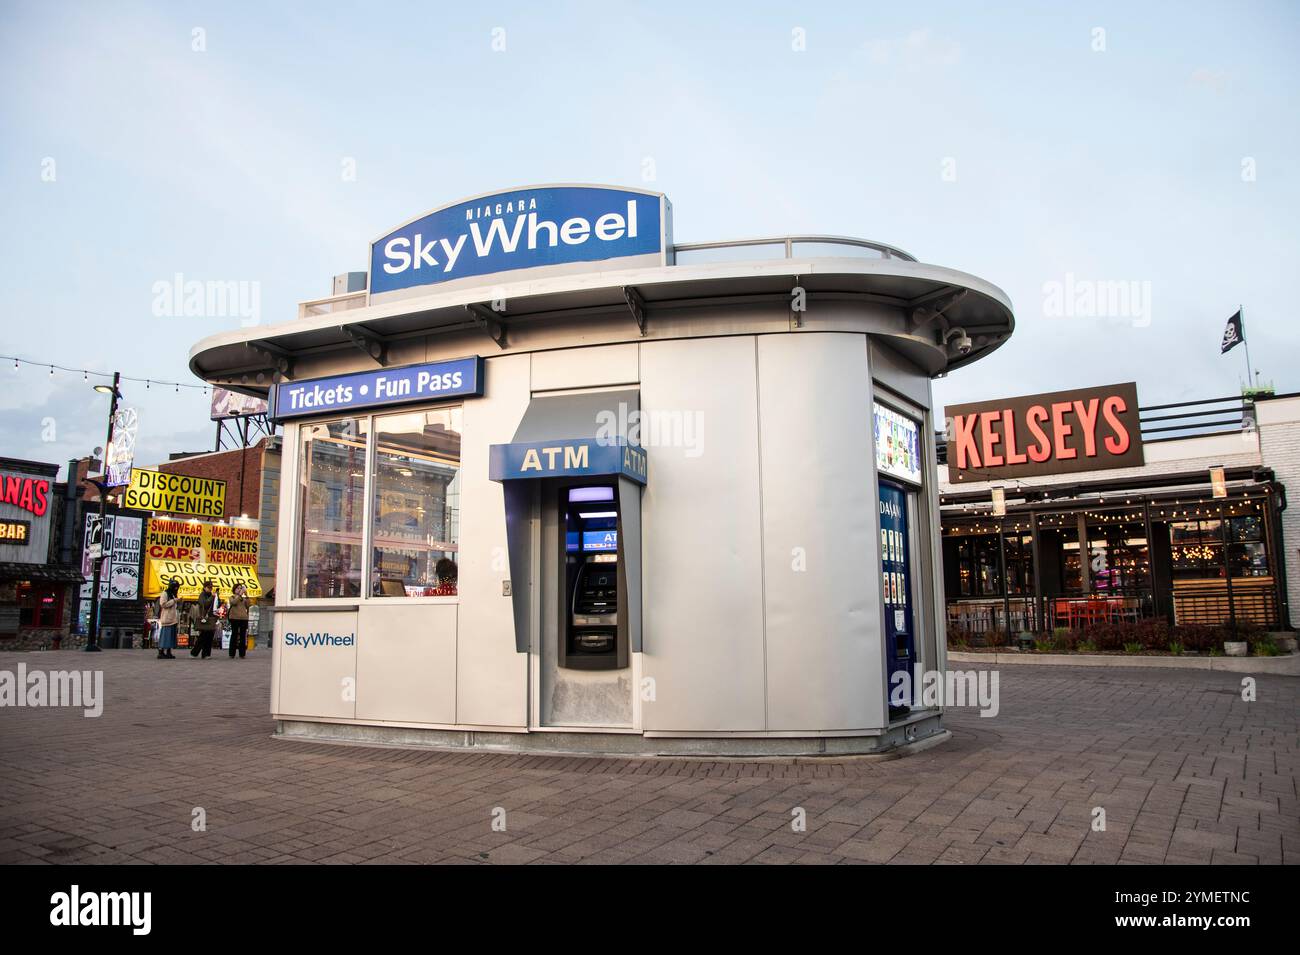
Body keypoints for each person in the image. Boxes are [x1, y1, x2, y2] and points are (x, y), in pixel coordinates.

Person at [188, 580, 218, 659]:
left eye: (211, 587)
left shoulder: (211, 595)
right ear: (204, 587)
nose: (210, 589)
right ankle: (194, 653)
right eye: (209, 587)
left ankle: (206, 654)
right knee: (203, 636)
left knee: (209, 636)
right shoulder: (202, 595)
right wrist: (212, 597)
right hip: (204, 618)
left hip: (211, 618)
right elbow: (204, 603)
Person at [156, 578, 181, 660]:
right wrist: (174, 601)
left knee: (171, 636)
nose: (176, 589)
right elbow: (163, 604)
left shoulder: (173, 594)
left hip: (173, 618)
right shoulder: (165, 593)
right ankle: (161, 651)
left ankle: (169, 651)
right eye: (175, 587)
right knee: (165, 635)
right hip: (167, 618)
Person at [227, 583, 250, 659]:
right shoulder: (232, 597)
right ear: (234, 589)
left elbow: (248, 605)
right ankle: (232, 653)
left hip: (243, 618)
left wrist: (246, 595)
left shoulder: (243, 599)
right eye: (238, 588)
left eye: (241, 588)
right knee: (234, 635)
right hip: (234, 618)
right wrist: (239, 595)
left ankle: (242, 653)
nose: (239, 589)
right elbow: (233, 603)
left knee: (243, 636)